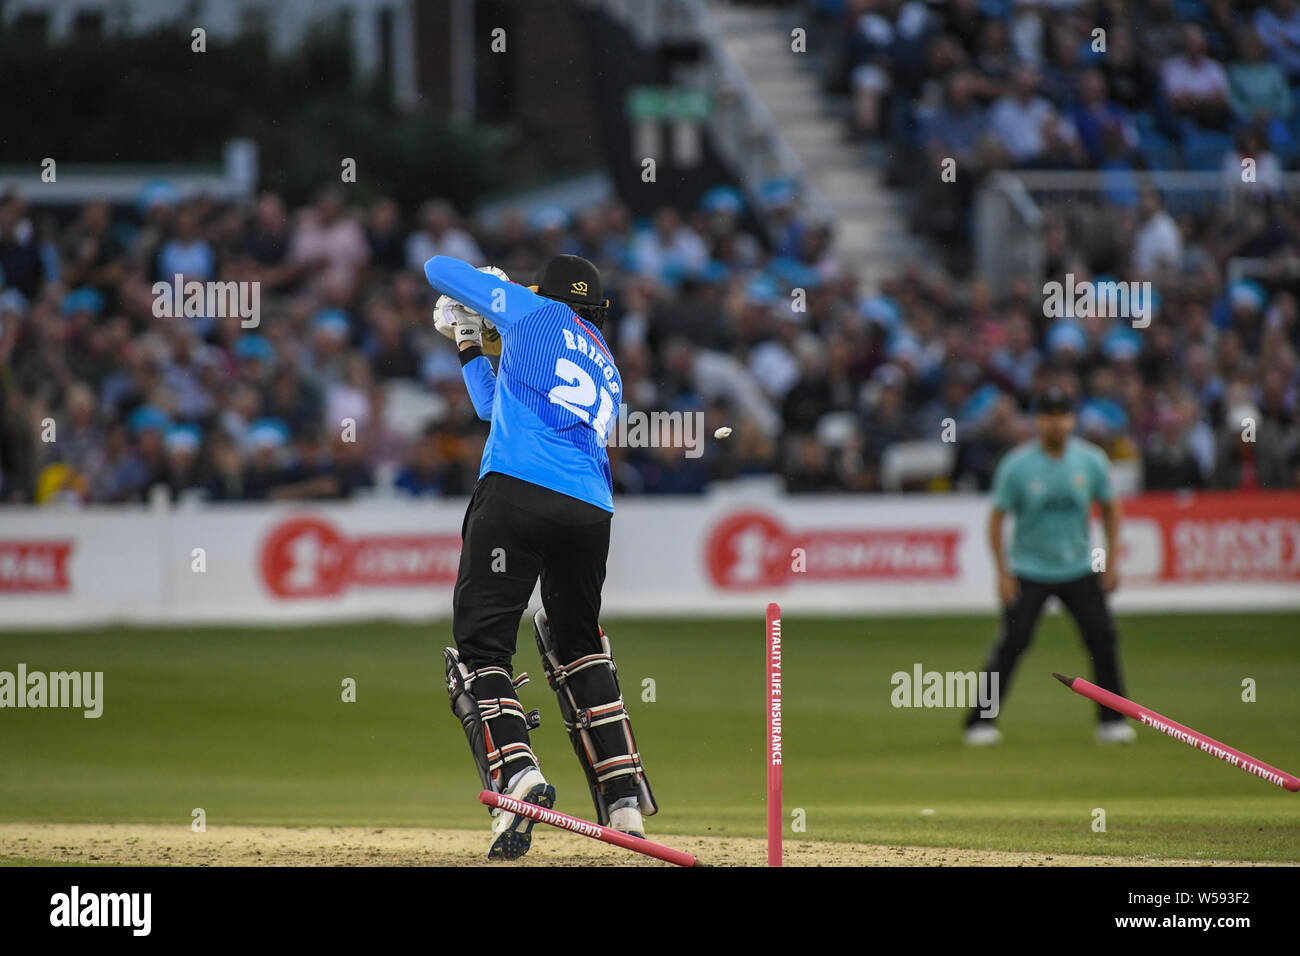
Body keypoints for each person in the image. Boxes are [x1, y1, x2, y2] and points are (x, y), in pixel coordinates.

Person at [425, 253, 656, 859]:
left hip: (517, 493)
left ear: (546, 295)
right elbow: (488, 405)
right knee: (577, 642)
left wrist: (489, 292)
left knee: (480, 649)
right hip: (589, 510)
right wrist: (472, 339)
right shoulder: (607, 363)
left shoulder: (532, 310)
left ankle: (518, 772)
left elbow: (436, 266)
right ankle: (624, 801)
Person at [964, 386, 1134, 746]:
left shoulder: (1091, 460)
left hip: (1077, 566)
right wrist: (1003, 572)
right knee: (1013, 641)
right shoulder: (1017, 465)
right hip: (1029, 569)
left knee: (1103, 638)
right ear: (1037, 421)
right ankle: (980, 721)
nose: (1055, 424)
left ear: (1072, 420)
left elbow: (1111, 508)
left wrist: (1112, 560)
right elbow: (996, 519)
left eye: (1062, 416)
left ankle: (1113, 720)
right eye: (1047, 416)